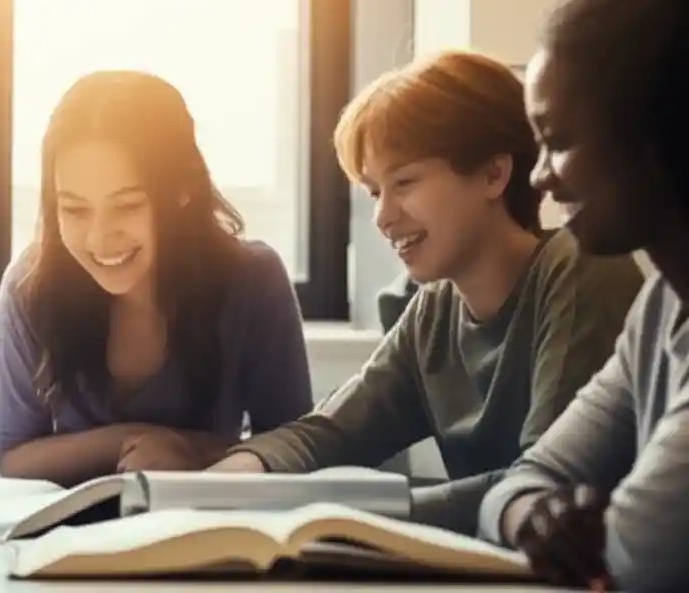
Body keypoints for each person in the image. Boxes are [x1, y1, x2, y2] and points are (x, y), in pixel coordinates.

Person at [210, 50, 645, 536]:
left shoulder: (579, 268)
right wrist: (228, 478)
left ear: (493, 175)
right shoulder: (434, 309)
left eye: (405, 182)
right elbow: (330, 433)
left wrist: (352, 513)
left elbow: (543, 484)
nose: (383, 216)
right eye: (376, 191)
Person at [478, 0, 689, 592]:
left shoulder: (594, 284)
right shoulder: (659, 310)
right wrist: (534, 515)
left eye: (558, 140)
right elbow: (522, 480)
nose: (539, 176)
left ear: (653, 134)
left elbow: (638, 556)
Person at [0, 70, 313, 487]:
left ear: (183, 189)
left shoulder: (252, 279)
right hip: (71, 540)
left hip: (212, 533)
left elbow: (297, 445)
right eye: (74, 210)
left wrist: (190, 454)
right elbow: (14, 456)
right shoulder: (30, 286)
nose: (99, 238)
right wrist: (135, 440)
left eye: (126, 206)